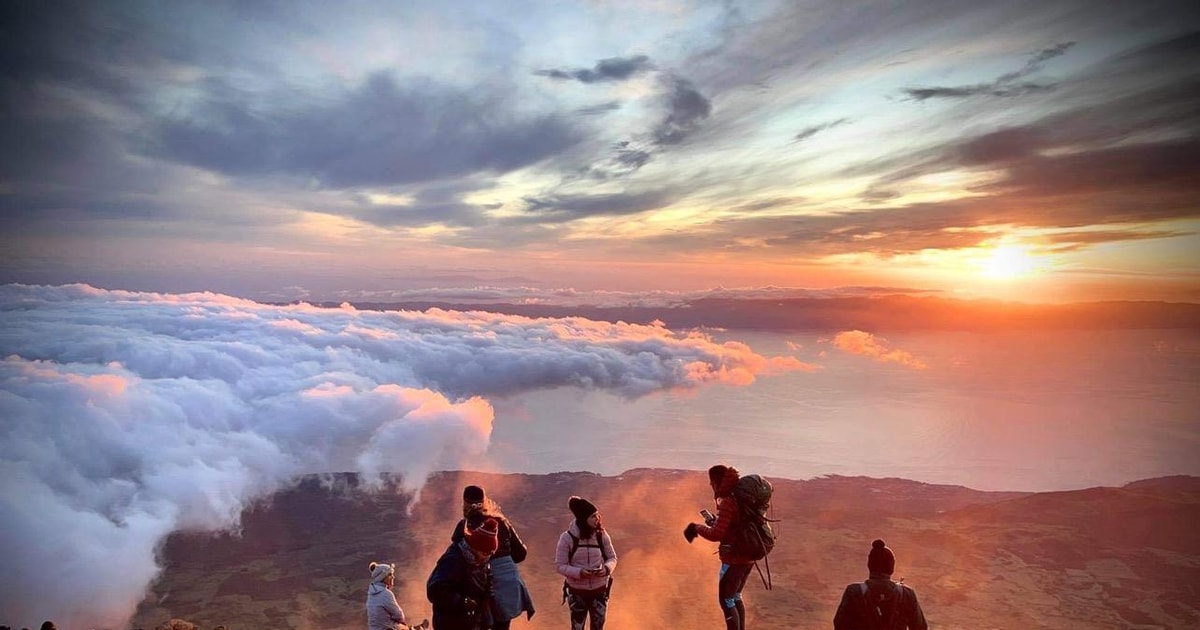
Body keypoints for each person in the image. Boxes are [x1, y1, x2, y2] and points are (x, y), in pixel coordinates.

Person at [450, 485, 535, 629]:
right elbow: (521, 553)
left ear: (465, 504)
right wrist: (504, 564)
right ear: (485, 501)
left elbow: (457, 556)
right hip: (508, 582)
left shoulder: (463, 527)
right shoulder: (501, 522)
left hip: (480, 584)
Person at [684, 464, 754, 630]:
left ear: (717, 481)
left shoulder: (728, 502)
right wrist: (717, 522)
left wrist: (696, 528)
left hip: (734, 559)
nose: (710, 485)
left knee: (726, 599)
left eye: (711, 482)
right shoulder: (738, 498)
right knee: (735, 596)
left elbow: (716, 535)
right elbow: (733, 527)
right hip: (747, 556)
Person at [833, 539, 928, 630]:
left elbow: (840, 624)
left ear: (869, 565)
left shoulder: (854, 592)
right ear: (891, 567)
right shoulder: (907, 594)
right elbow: (920, 627)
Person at [555, 496, 617, 630]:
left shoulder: (601, 535)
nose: (597, 519)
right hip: (577, 593)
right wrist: (579, 573)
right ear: (583, 519)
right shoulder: (567, 538)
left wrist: (606, 569)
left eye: (597, 515)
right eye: (593, 516)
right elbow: (560, 566)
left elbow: (612, 558)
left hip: (599, 591)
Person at [428, 515, 500, 630]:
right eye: (485, 553)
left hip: (471, 623)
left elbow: (487, 583)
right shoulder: (453, 560)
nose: (487, 557)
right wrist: (463, 602)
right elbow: (435, 590)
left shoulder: (481, 561)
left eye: (490, 554)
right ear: (476, 547)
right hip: (450, 623)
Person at [367, 561, 429, 630]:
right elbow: (398, 615)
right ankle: (420, 628)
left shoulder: (371, 595)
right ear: (382, 577)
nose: (393, 577)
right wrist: (401, 622)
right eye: (390, 574)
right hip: (387, 628)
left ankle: (418, 628)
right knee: (401, 626)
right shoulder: (385, 594)